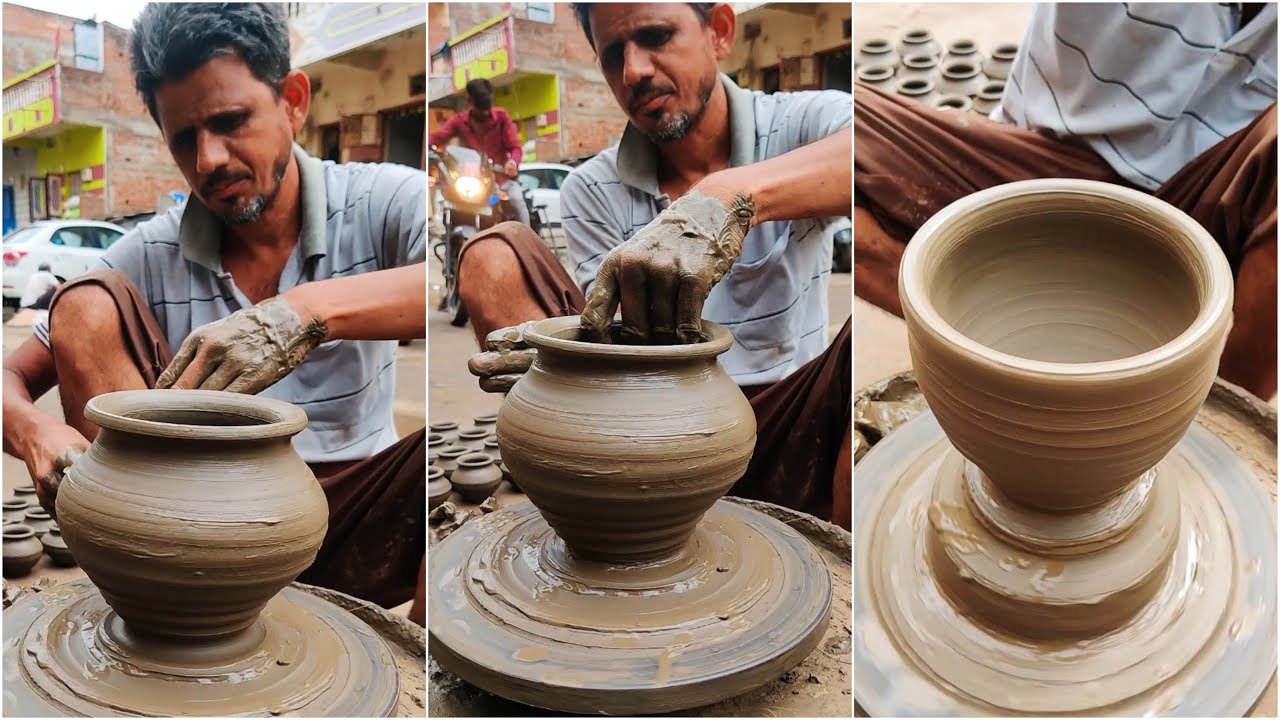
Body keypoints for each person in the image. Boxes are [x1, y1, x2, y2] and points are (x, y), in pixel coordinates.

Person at [0, 3, 427, 625]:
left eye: (231, 121)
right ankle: (162, 618)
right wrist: (38, 435)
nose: (208, 161)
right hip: (191, 532)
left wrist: (302, 312)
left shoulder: (385, 201)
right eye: (183, 139)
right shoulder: (147, 251)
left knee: (464, 450)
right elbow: (7, 379)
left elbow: (452, 285)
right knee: (85, 305)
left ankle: (420, 684)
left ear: (293, 101)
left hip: (353, 514)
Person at [458, 3, 853, 529]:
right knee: (492, 254)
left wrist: (730, 196)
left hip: (790, 419)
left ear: (719, 32)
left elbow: (875, 153)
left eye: (655, 37)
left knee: (859, 345)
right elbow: (616, 341)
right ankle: (595, 520)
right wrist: (559, 363)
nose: (634, 71)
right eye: (614, 54)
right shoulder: (588, 188)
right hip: (644, 427)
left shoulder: (804, 123)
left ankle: (850, 577)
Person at [855, 3, 1278, 399]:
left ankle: (1216, 416)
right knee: (836, 127)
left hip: (1197, 200)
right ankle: (959, 332)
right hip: (1037, 164)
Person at [428, 78, 531, 226]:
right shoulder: (458, 121)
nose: (485, 112)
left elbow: (515, 147)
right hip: (471, 183)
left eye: (487, 108)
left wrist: (512, 162)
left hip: (499, 181)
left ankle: (526, 244)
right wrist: (428, 150)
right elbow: (437, 137)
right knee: (447, 201)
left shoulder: (502, 117)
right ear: (470, 101)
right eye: (481, 108)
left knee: (516, 200)